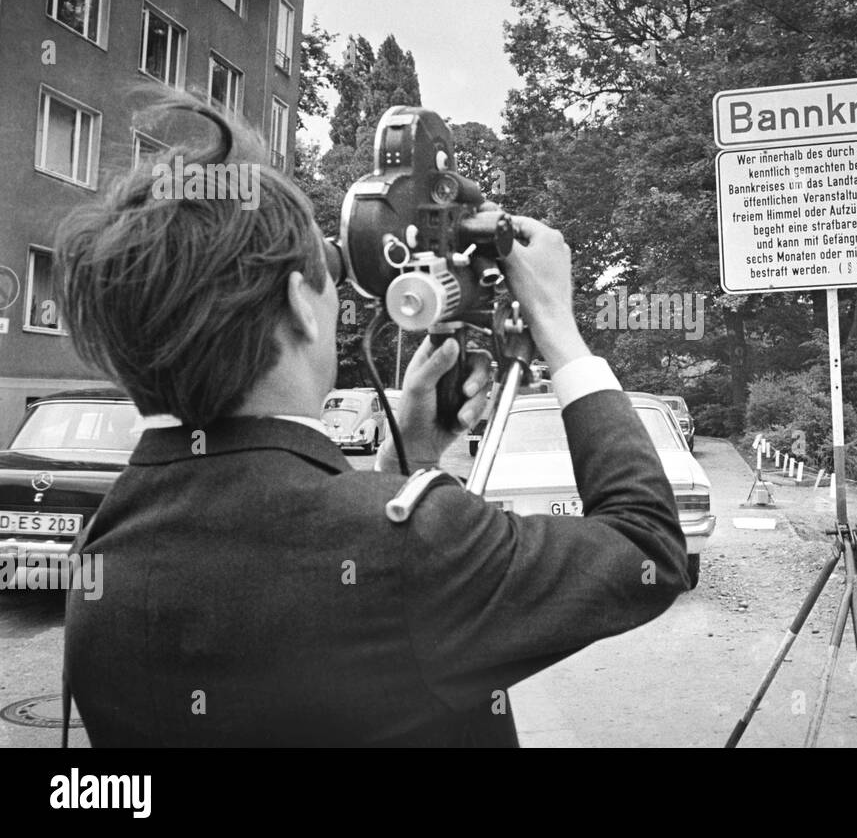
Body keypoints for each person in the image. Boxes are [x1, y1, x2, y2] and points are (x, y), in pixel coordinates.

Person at [56, 92, 689, 746]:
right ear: (303, 304)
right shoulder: (408, 543)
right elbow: (646, 548)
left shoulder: (102, 560)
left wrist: (399, 473)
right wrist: (560, 330)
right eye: (326, 269)